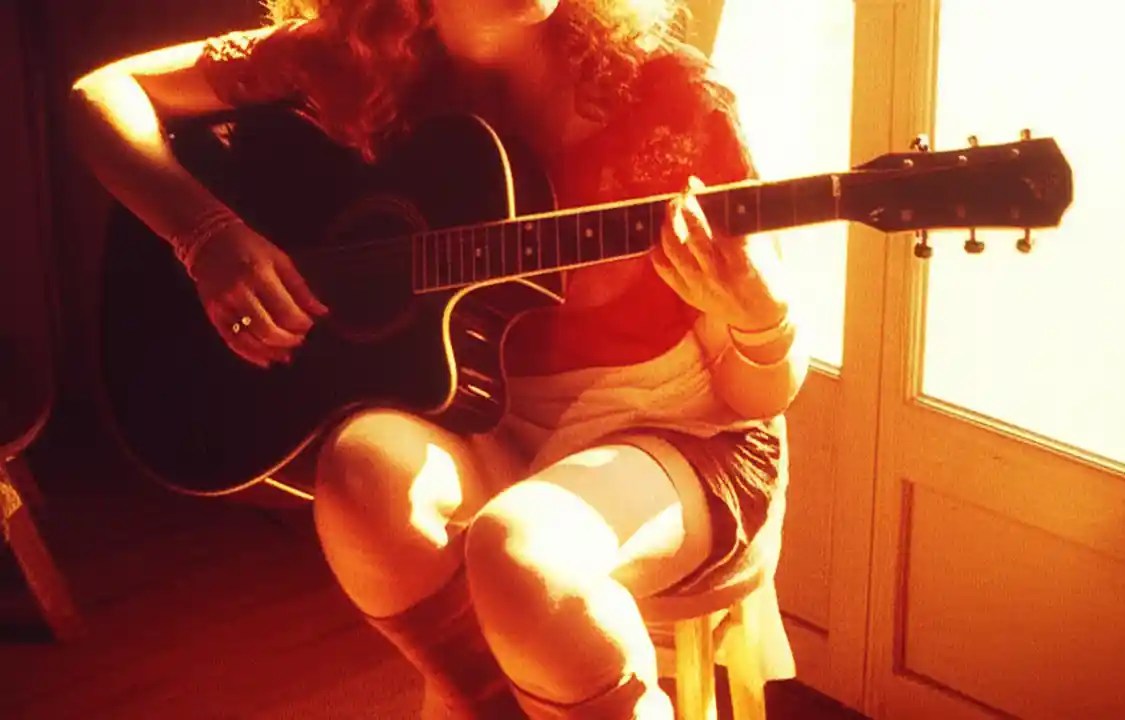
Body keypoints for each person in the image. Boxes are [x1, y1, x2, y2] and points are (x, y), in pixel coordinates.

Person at [69, 0, 808, 717]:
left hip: (677, 433)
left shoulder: (670, 96)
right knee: (362, 473)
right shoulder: (347, 61)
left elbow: (755, 396)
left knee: (521, 556)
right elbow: (101, 96)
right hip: (480, 418)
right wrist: (204, 235)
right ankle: (485, 703)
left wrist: (759, 317)